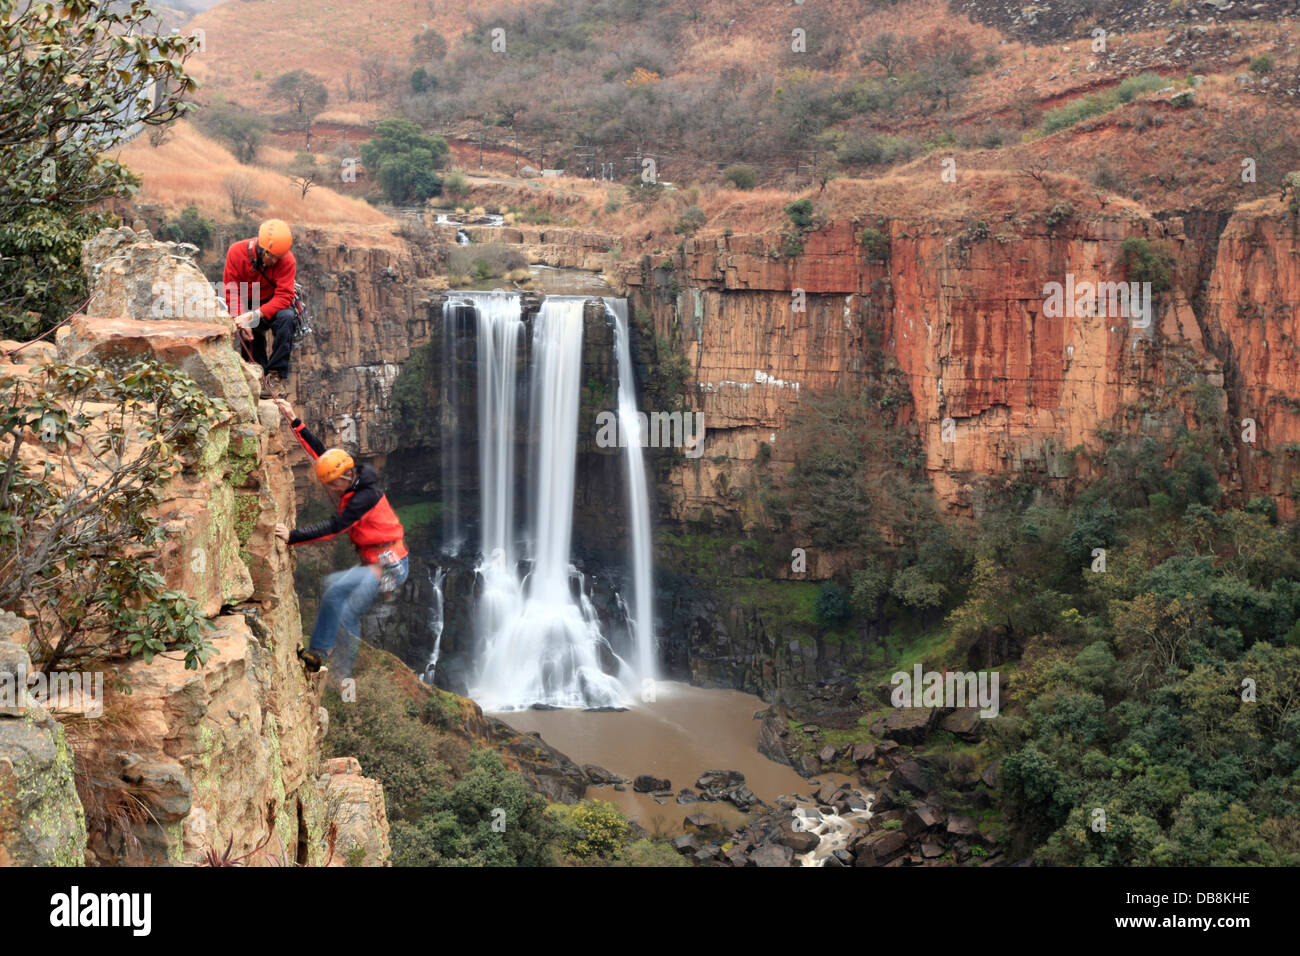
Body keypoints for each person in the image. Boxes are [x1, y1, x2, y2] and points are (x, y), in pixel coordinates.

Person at [270, 398, 409, 675]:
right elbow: (321, 455)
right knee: (332, 589)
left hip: (390, 565)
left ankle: (338, 675)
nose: (329, 488)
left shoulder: (365, 498)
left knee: (347, 613)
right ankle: (318, 654)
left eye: (332, 483)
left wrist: (292, 537)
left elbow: (334, 528)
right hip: (374, 561)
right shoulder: (349, 478)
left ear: (346, 478)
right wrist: (294, 420)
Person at [224, 219, 298, 399]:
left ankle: (275, 375)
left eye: (277, 258)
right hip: (247, 302)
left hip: (271, 303)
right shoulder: (237, 252)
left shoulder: (287, 261)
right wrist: (241, 317)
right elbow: (231, 289)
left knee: (287, 318)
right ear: (261, 248)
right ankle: (257, 374)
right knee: (251, 337)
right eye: (270, 256)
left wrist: (255, 314)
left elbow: (285, 296)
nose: (274, 261)